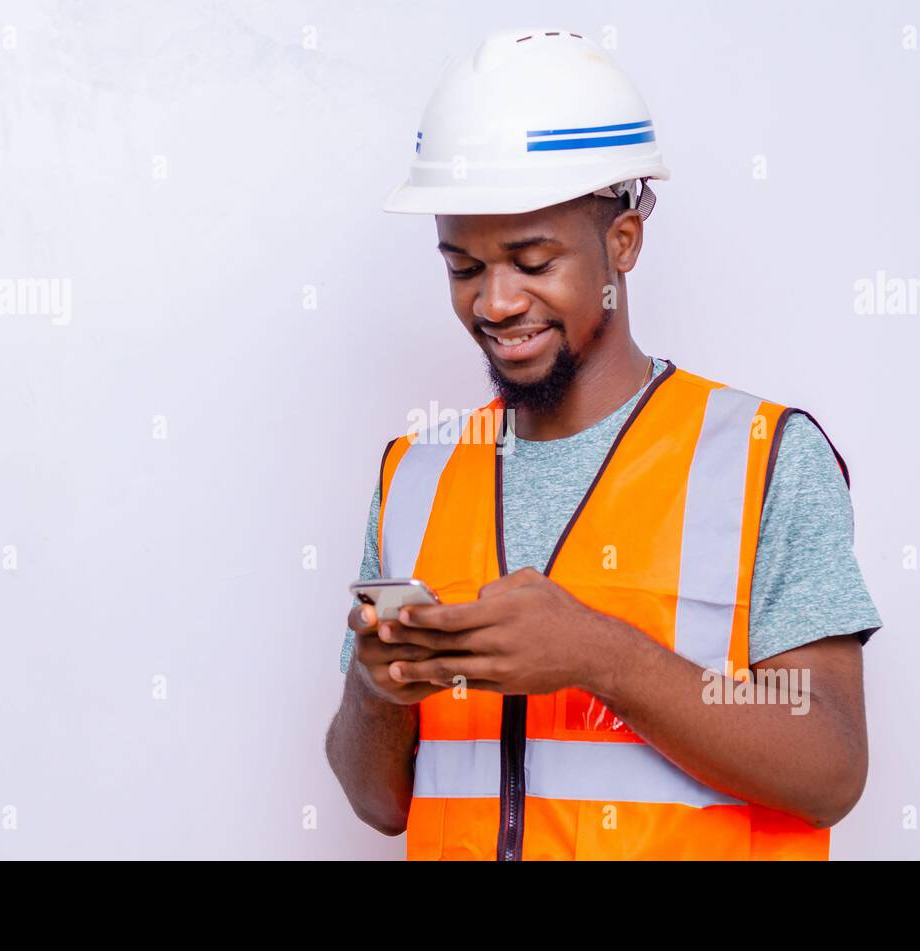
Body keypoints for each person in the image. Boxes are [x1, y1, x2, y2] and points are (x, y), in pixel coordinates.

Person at [325, 27, 883, 860]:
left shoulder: (762, 458)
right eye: (464, 267)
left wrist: (599, 655)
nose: (496, 301)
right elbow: (376, 802)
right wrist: (379, 688)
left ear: (621, 243)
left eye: (532, 259)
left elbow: (832, 766)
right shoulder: (416, 472)